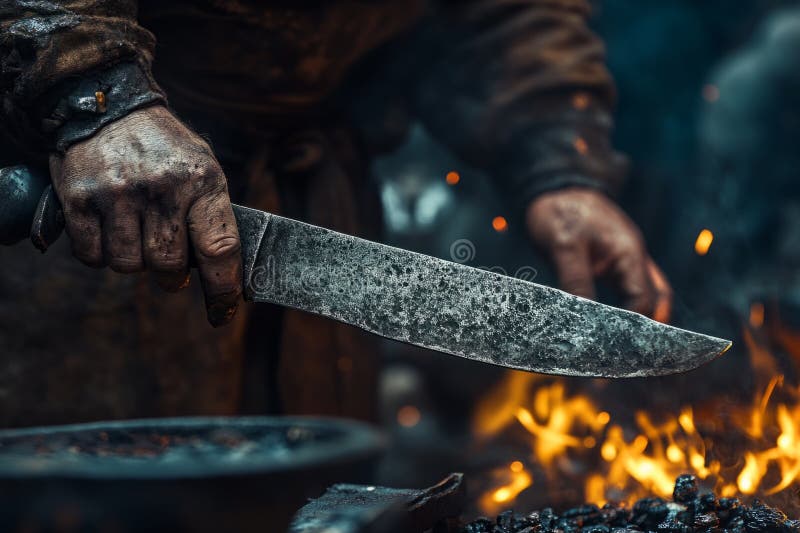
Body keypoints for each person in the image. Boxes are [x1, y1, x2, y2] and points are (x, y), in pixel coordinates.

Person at [0, 0, 672, 427]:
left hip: (313, 201)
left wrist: (558, 162)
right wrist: (94, 93)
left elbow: (505, 11)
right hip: (105, 193)